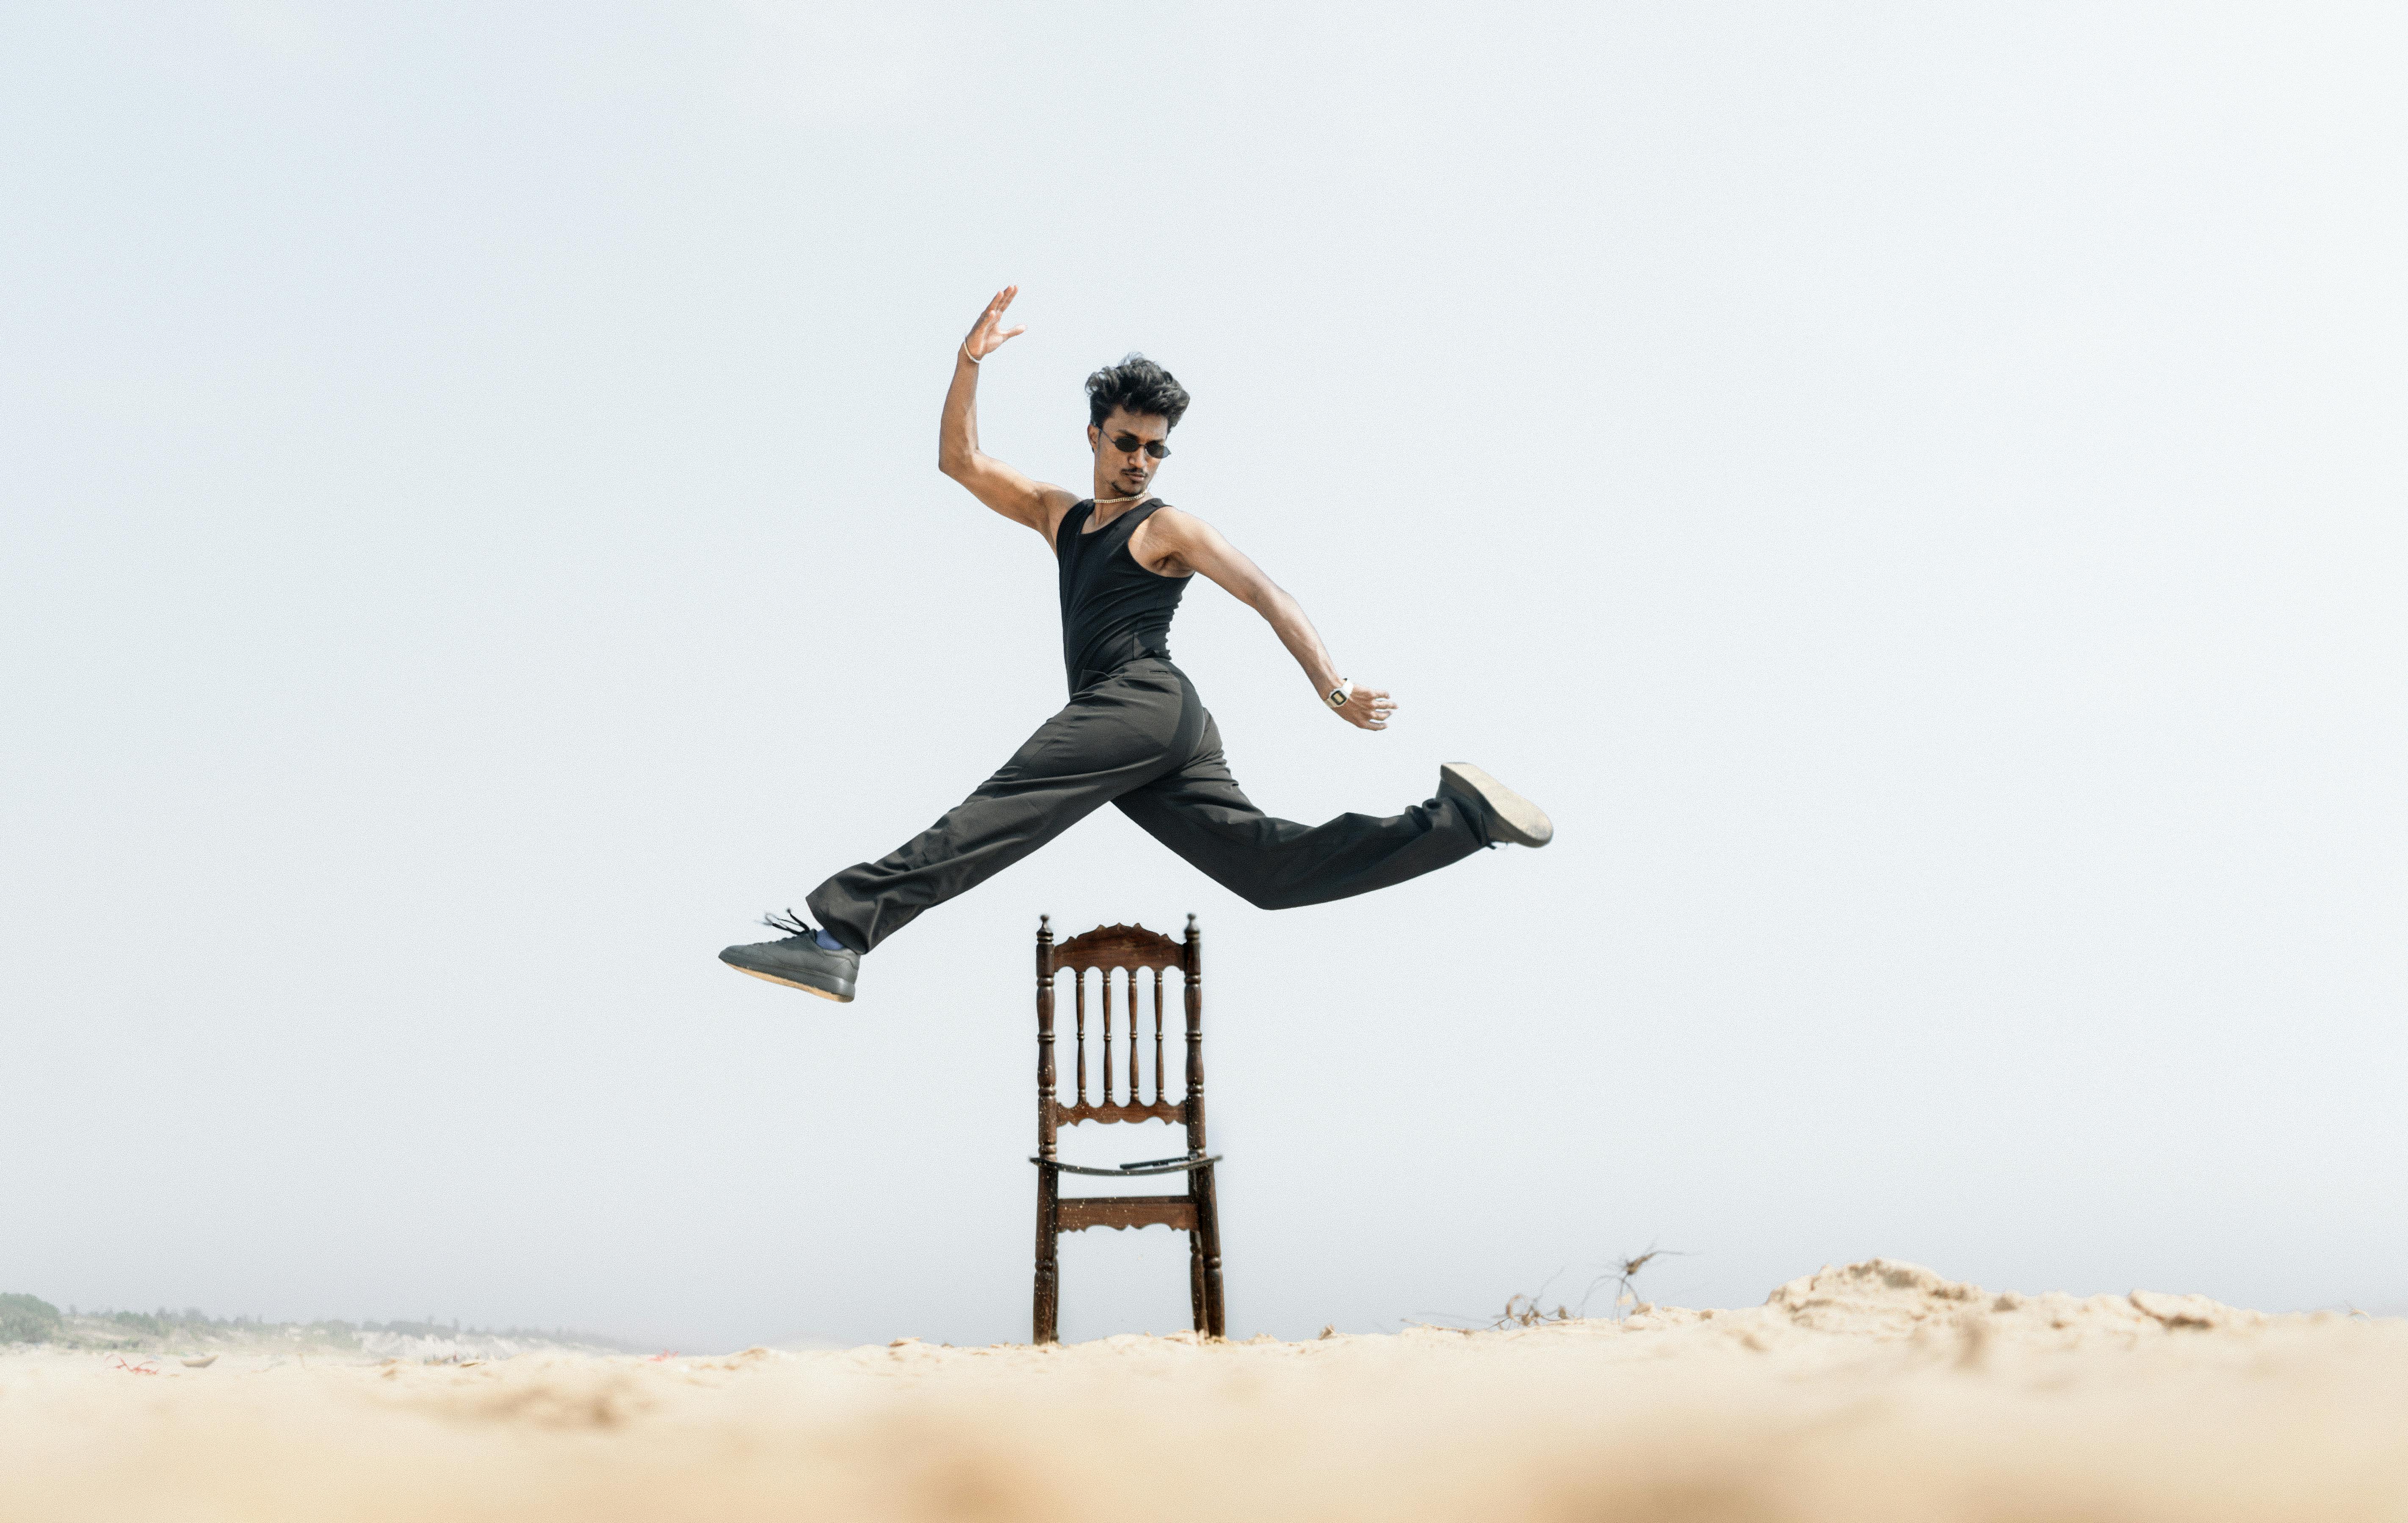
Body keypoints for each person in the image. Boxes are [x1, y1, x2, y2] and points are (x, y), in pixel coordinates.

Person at [720, 286, 1551, 1002]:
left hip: (1139, 703)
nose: (1141, 461)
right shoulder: (1063, 515)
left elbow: (1267, 592)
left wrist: (1332, 688)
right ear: (1093, 435)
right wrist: (968, 363)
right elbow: (961, 459)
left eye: (1156, 448)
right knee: (1267, 871)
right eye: (1127, 442)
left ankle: (838, 937)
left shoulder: (1166, 527)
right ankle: (1463, 818)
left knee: (996, 812)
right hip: (1160, 730)